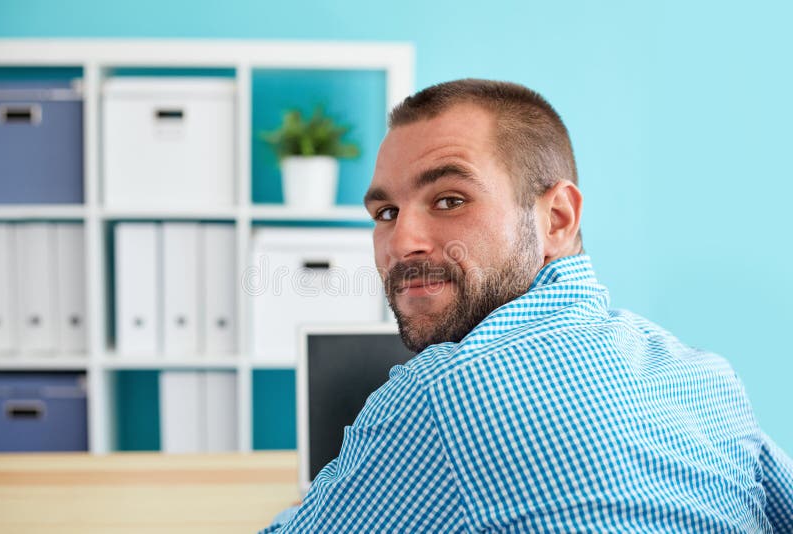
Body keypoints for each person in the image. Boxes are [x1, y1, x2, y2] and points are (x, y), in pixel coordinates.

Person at [261, 79, 793, 532]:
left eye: (449, 200)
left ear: (557, 219)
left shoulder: (438, 394)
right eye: (386, 212)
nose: (401, 242)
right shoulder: (705, 377)